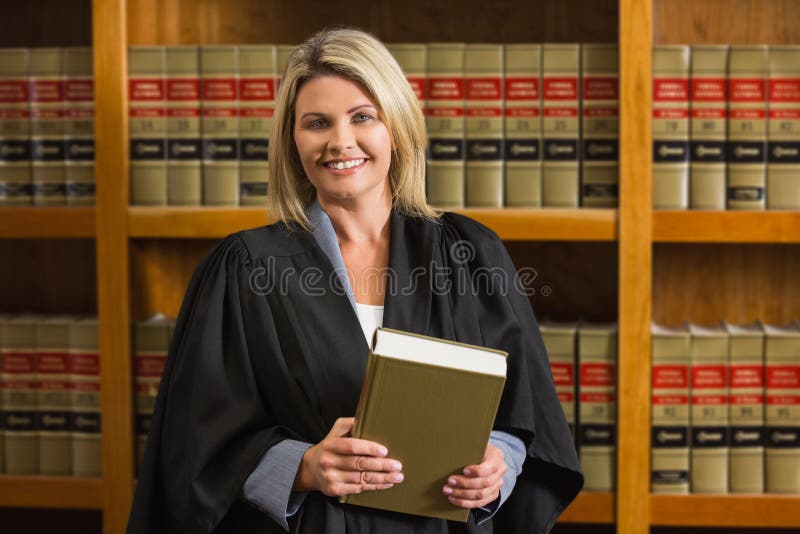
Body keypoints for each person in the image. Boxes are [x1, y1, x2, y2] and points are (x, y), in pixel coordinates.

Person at [127, 28, 582, 534]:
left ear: (396, 127)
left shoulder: (469, 254)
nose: (340, 142)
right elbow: (194, 447)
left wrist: (497, 465)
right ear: (292, 141)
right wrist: (302, 467)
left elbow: (526, 418)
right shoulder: (244, 269)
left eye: (363, 116)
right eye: (317, 123)